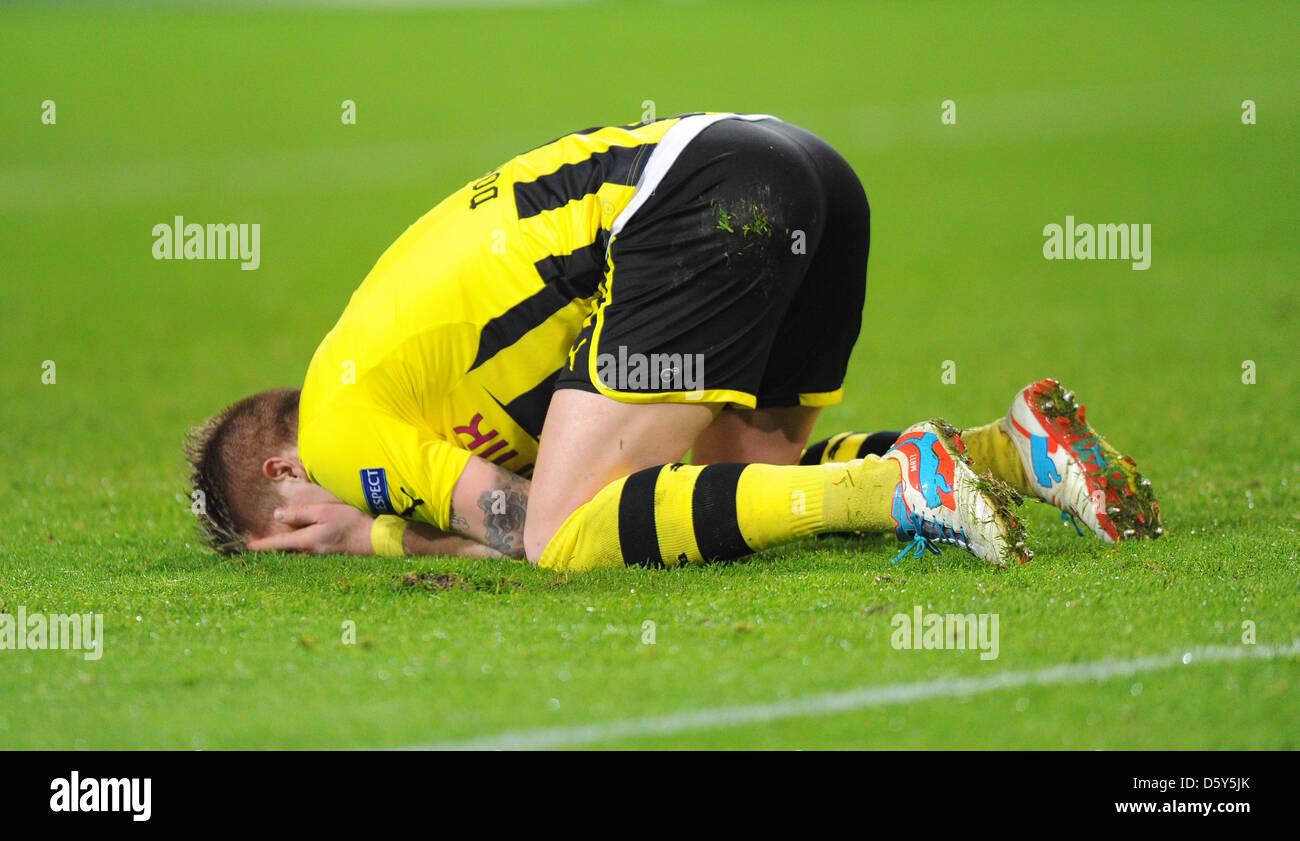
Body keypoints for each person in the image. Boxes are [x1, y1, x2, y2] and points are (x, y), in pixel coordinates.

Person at [186, 113, 1161, 571]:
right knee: (723, 484)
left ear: (284, 468)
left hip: (702, 200)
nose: (313, 547)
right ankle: (1012, 450)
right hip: (801, 169)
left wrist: (376, 530)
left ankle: (901, 482)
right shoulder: (409, 381)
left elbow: (526, 530)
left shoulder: (341, 429)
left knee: (570, 536)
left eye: (291, 539)